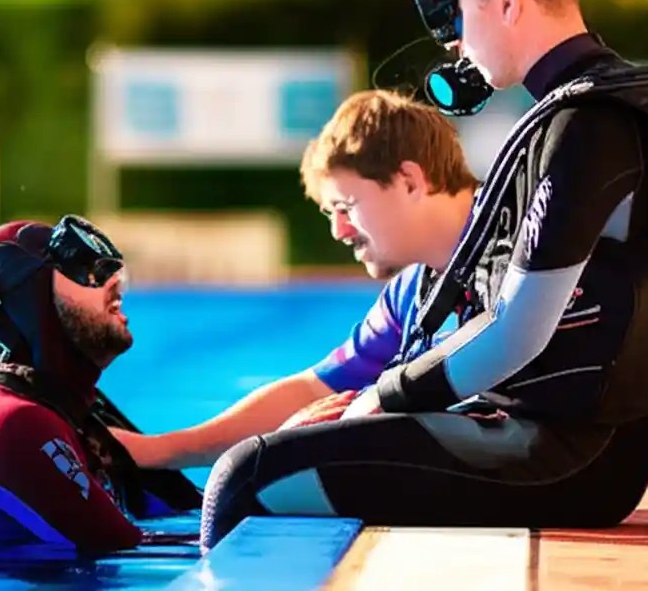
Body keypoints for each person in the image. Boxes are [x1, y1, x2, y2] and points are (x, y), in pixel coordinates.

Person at [197, 0, 648, 550]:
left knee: (245, 476)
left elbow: (517, 332)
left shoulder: (589, 125)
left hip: (566, 456)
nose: (451, 37)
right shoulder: (603, 107)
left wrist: (381, 396)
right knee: (288, 451)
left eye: (448, 7)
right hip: (565, 439)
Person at [109, 88, 480, 470]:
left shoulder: (521, 247)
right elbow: (313, 389)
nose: (338, 230)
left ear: (409, 181)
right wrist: (158, 450)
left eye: (345, 207)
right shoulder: (412, 292)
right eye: (330, 213)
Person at [0, 215, 198, 555]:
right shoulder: (9, 423)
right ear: (29, 303)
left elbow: (190, 508)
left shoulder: (77, 417)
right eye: (81, 269)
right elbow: (130, 547)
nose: (112, 282)